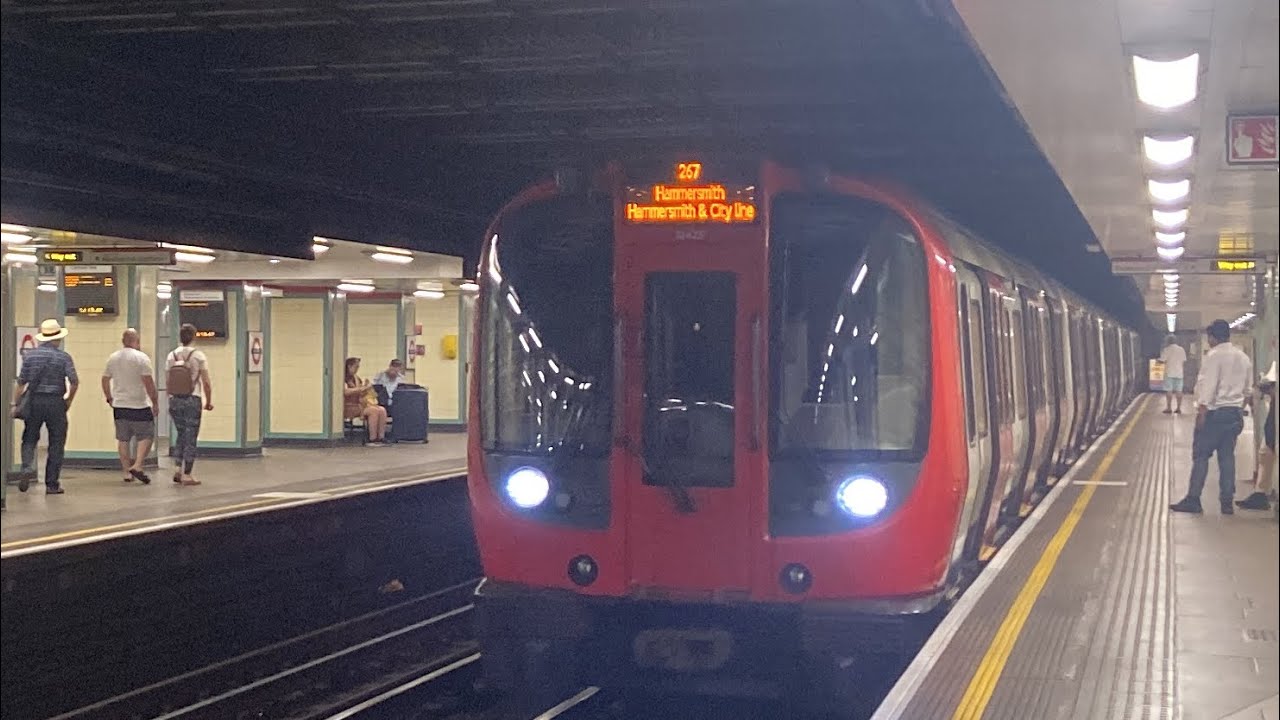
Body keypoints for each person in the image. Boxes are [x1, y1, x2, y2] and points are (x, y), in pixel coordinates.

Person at [1171, 320, 1253, 515]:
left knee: (1201, 456)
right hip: (1234, 414)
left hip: (1214, 413)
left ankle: (1193, 499)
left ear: (1213, 337)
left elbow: (1209, 387)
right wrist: (1238, 409)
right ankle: (1226, 502)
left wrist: (1202, 412)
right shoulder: (1243, 358)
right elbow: (1248, 390)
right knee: (1227, 458)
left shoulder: (1214, 356)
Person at [10, 319, 79, 494]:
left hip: (34, 401)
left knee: (30, 437)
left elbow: (21, 383)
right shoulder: (64, 357)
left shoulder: (31, 356)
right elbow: (74, 381)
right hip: (56, 402)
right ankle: (51, 484)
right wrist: (69, 400)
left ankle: (26, 468)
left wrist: (15, 403)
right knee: (56, 442)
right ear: (57, 338)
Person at [103, 328, 159, 484]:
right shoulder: (142, 358)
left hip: (119, 405)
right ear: (136, 341)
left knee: (123, 439)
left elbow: (105, 380)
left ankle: (126, 472)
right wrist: (155, 402)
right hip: (139, 404)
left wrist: (109, 398)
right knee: (146, 436)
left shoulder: (112, 358)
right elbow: (148, 382)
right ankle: (138, 465)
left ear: (123, 341)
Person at [166, 323, 213, 486]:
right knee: (191, 436)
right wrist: (209, 401)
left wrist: (170, 399)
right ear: (193, 337)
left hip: (175, 400)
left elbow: (168, 381)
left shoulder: (171, 355)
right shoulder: (198, 356)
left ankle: (178, 469)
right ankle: (188, 473)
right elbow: (206, 381)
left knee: (180, 434)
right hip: (192, 399)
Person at [1237, 361, 1276, 511]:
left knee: (1266, 456)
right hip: (1271, 431)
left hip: (1272, 431)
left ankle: (1262, 493)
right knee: (1265, 457)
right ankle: (1261, 493)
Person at [344, 357, 388, 445]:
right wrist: (361, 389)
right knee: (373, 411)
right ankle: (372, 439)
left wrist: (367, 388)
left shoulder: (357, 379)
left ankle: (381, 437)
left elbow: (361, 393)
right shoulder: (343, 378)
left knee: (382, 410)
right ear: (349, 366)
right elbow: (346, 392)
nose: (357, 370)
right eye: (355, 367)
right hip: (349, 406)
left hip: (361, 404)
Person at [1159, 335, 1187, 414]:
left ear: (1168, 341)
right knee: (1179, 391)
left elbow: (1162, 360)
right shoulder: (1181, 349)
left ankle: (1169, 408)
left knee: (1169, 390)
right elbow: (1183, 361)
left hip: (1169, 372)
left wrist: (1158, 360)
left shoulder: (1166, 349)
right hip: (1179, 373)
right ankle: (1178, 408)